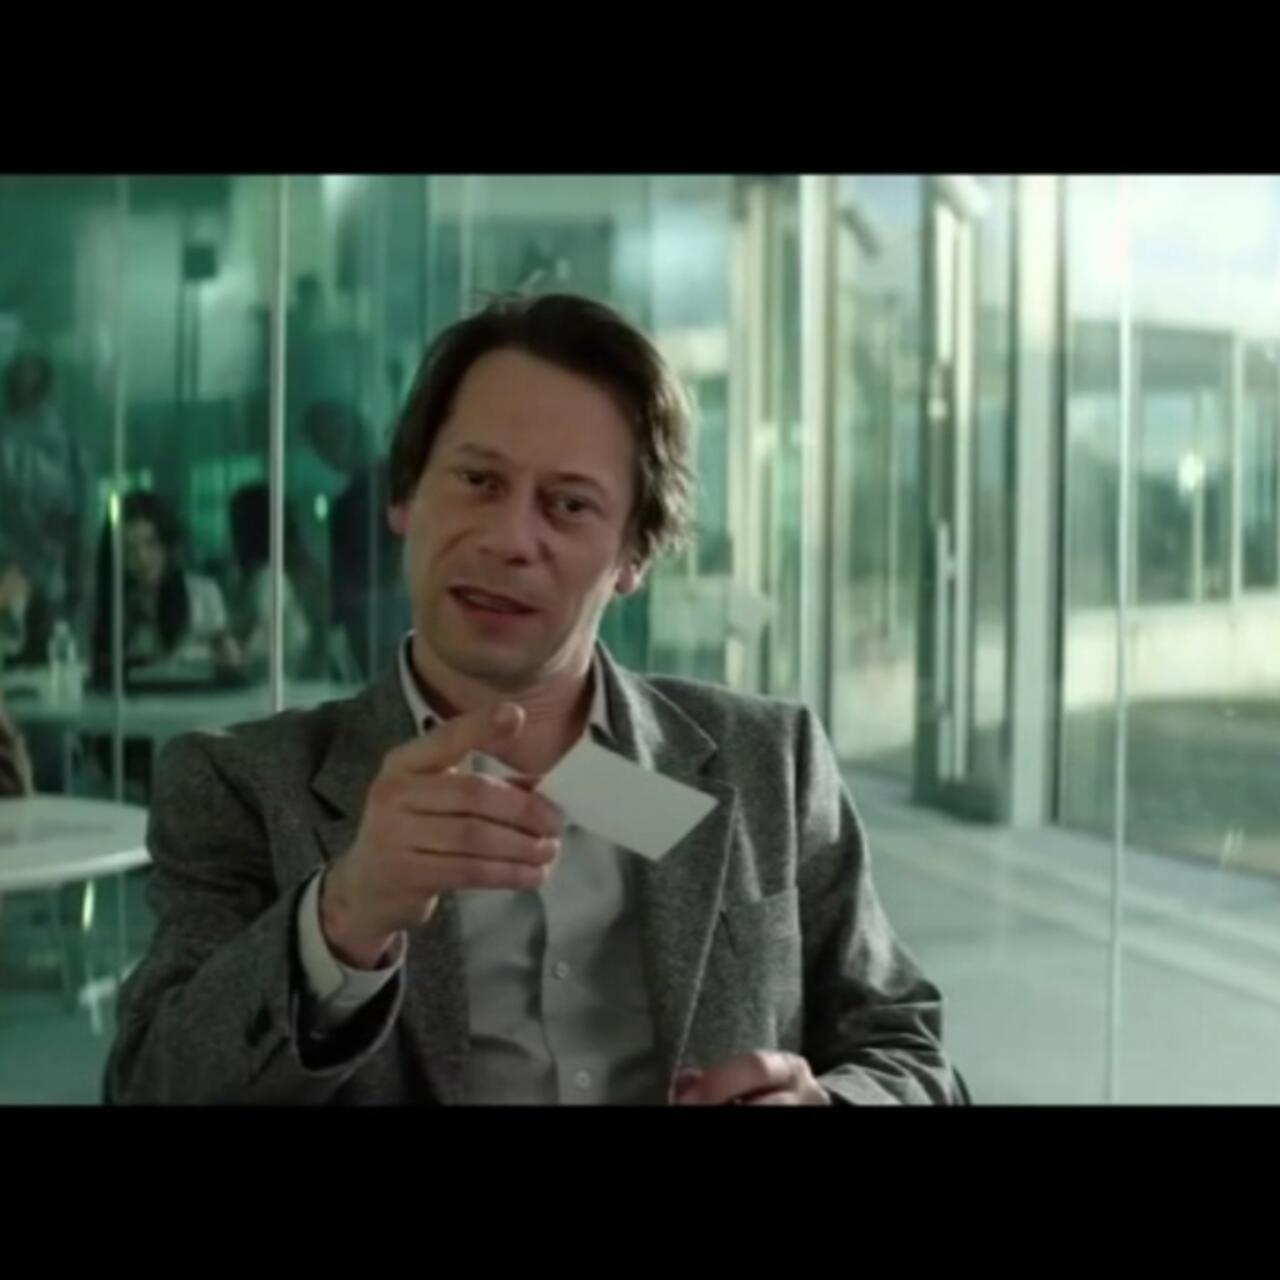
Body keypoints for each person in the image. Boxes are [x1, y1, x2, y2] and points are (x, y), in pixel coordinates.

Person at [105, 293, 963, 1106]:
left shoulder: (768, 763)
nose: (510, 539)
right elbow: (148, 1085)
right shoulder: (245, 788)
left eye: (569, 505)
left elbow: (907, 1050)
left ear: (634, 555)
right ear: (404, 496)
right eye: (478, 481)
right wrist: (344, 916)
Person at [91, 491, 240, 685]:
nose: (142, 558)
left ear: (167, 544)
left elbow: (224, 653)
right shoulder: (116, 603)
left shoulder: (202, 594)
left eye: (151, 543)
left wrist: (227, 656)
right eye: (129, 549)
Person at [0, 352, 91, 666]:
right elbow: (76, 519)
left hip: (38, 579)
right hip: (30, 581)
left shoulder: (66, 443)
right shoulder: (65, 443)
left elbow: (76, 518)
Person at [227, 482, 325, 679]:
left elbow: (251, 651)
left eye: (237, 525)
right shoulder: (292, 573)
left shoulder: (269, 580)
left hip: (276, 685)